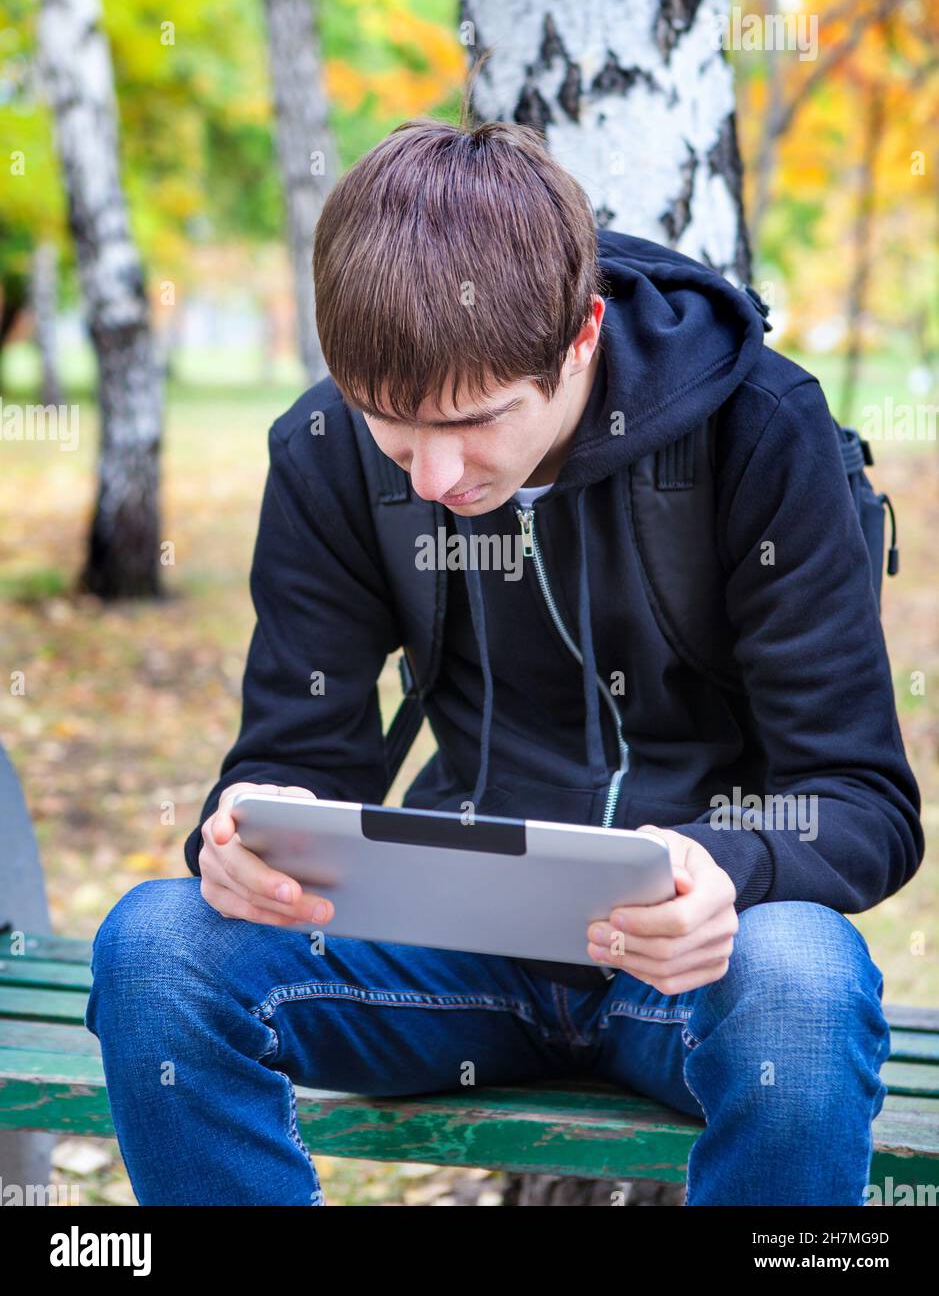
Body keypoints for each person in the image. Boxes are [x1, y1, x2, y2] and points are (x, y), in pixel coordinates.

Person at [85, 116, 923, 1206]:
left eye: (475, 421)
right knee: (157, 945)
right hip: (442, 956)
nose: (433, 473)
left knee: (803, 979)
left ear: (580, 339)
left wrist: (729, 872)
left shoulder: (761, 429)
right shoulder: (325, 452)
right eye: (390, 425)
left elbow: (862, 800)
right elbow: (296, 755)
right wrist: (242, 836)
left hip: (695, 970)